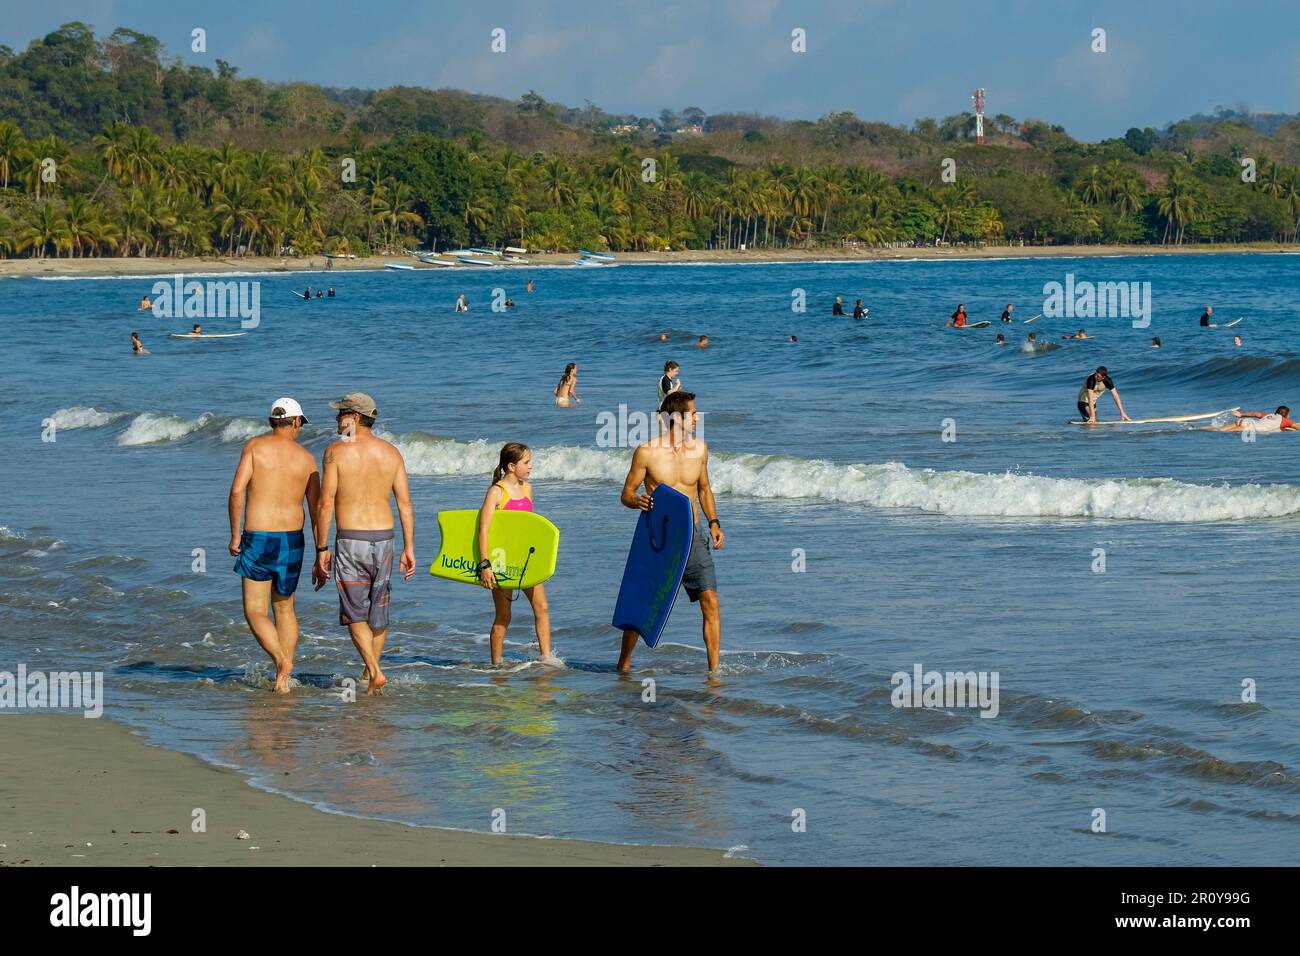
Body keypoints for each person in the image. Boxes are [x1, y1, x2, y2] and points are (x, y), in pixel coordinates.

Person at [314, 392, 416, 695]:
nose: (336, 419)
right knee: (379, 609)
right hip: (385, 538)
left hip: (352, 540)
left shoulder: (335, 452)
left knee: (354, 612)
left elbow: (325, 504)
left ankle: (374, 671)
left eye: (340, 413)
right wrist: (409, 548)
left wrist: (321, 549)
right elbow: (405, 504)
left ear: (354, 418)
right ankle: (369, 675)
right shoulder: (392, 453)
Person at [617, 390, 723, 674]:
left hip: (694, 535)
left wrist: (714, 522)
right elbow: (626, 493)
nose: (698, 418)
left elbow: (703, 488)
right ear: (678, 417)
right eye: (694, 413)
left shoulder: (700, 449)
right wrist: (636, 501)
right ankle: (623, 665)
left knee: (710, 600)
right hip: (660, 540)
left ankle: (714, 672)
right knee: (645, 602)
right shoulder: (647, 453)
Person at [228, 398, 322, 693]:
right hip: (293, 539)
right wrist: (322, 551)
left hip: (258, 536)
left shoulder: (255, 447)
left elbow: (237, 490)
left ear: (272, 421)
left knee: (255, 611)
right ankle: (283, 679)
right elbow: (317, 510)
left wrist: (234, 535)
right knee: (285, 608)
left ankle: (281, 661)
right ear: (296, 422)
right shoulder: (307, 459)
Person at [475, 443, 556, 666]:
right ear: (511, 466)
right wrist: (485, 564)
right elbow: (483, 530)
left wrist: (542, 563)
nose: (531, 466)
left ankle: (547, 659)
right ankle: (497, 664)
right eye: (526, 462)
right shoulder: (496, 492)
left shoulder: (528, 488)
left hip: (525, 559)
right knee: (504, 615)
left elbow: (529, 528)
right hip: (502, 561)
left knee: (542, 608)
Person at [1207, 406, 1296, 433]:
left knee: (1218, 429)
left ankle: (1195, 428)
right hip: (1249, 426)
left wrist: (1241, 415)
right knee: (1222, 432)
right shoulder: (1286, 421)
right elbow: (1297, 426)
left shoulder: (1269, 415)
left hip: (1246, 421)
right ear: (1286, 415)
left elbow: (1254, 414)